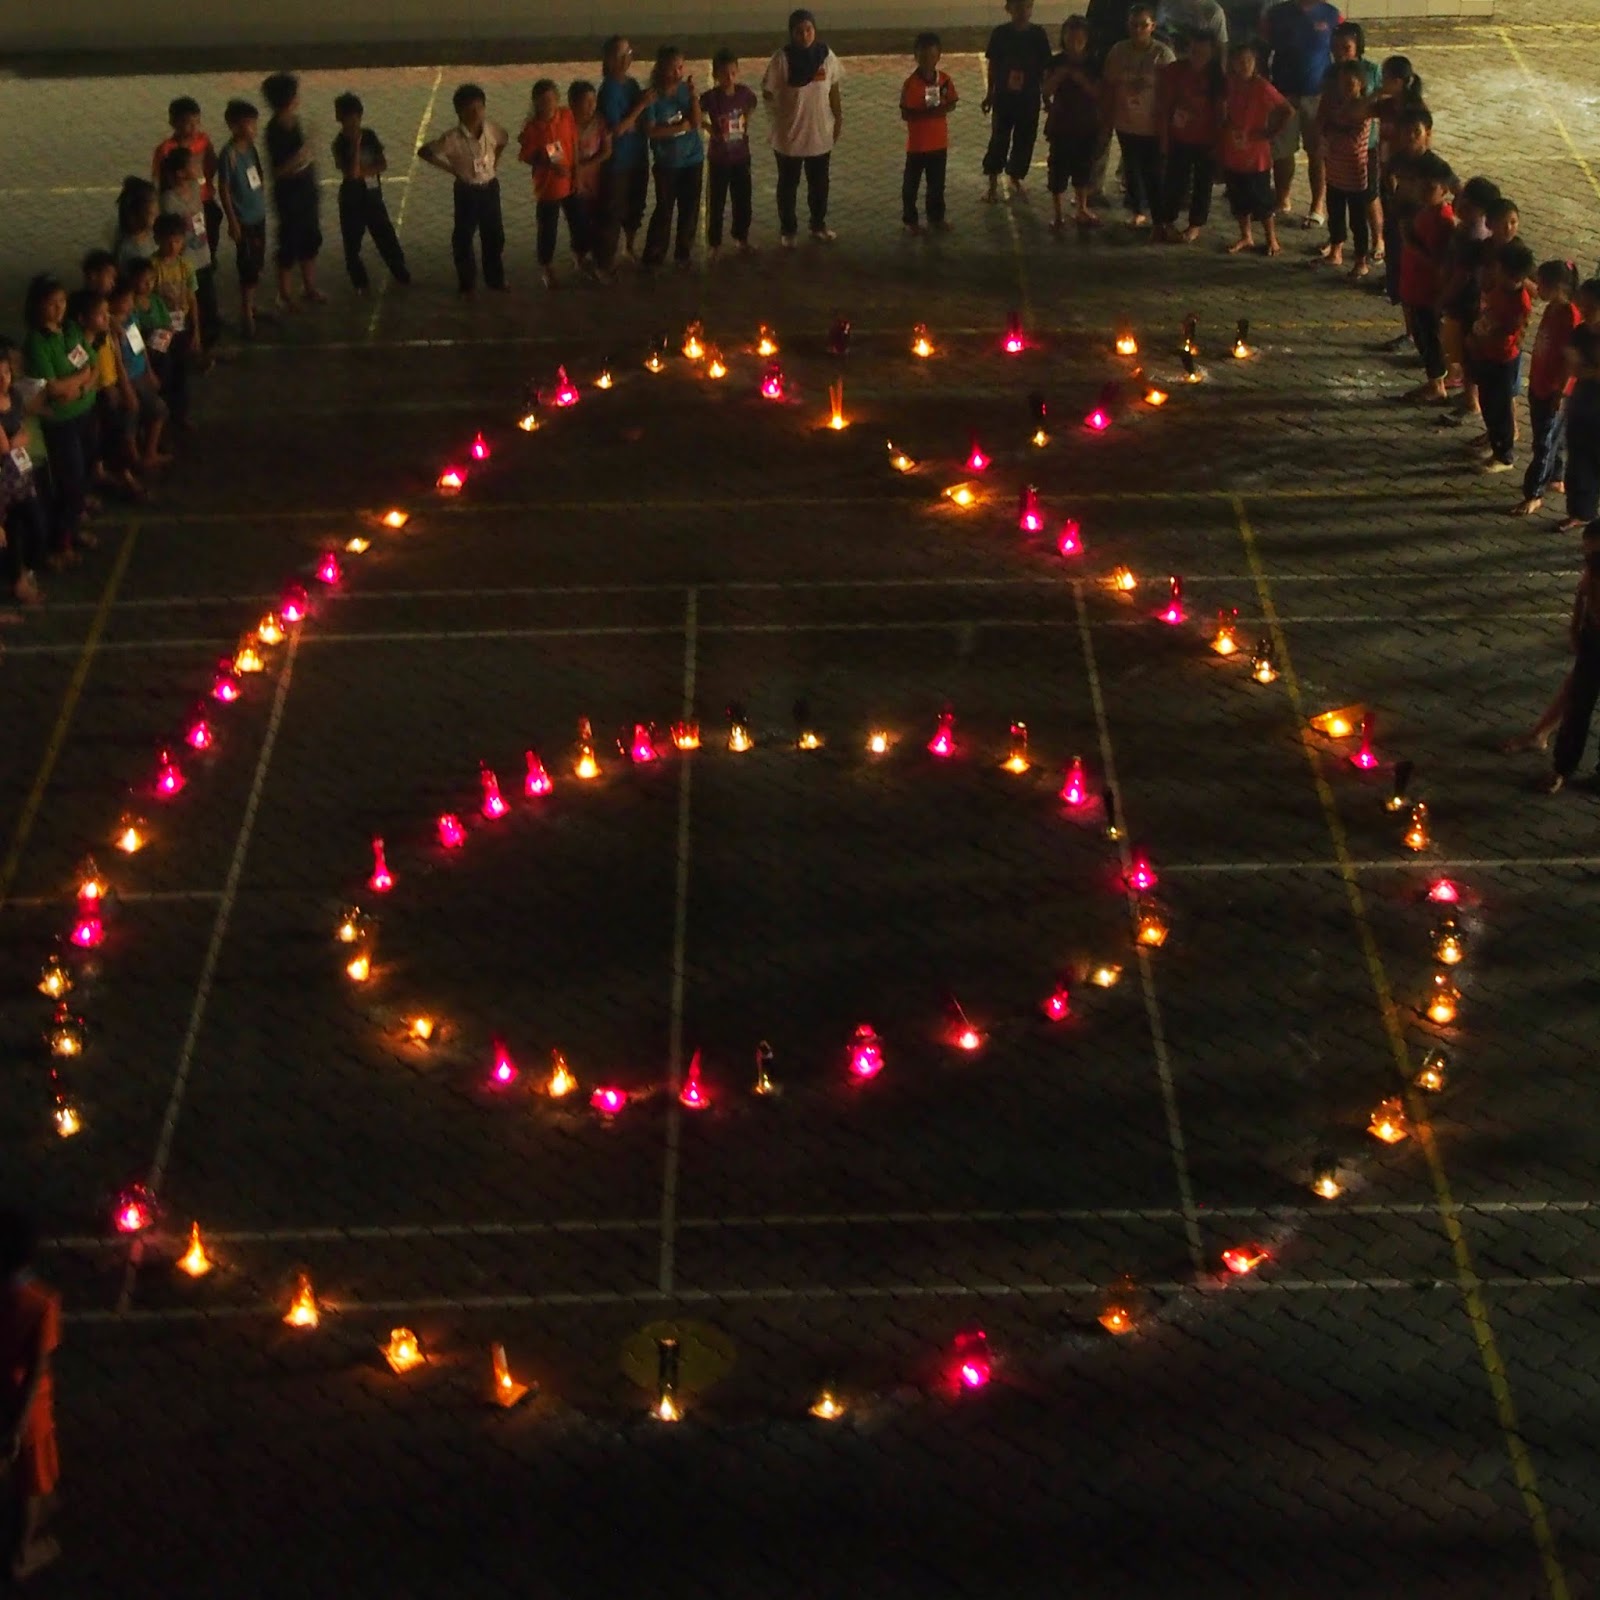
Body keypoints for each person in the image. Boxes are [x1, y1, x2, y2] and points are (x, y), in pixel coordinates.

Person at [0, 1209, 60, 1582]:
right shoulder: (42, 1301)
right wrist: (20, 1425)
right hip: (28, 1407)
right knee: (31, 1484)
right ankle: (21, 1554)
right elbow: (37, 1367)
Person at [21, 275, 99, 558]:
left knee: (85, 470)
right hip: (62, 423)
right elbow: (52, 388)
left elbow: (91, 365)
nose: (59, 308)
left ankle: (73, 529)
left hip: (84, 412)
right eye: (52, 303)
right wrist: (80, 382)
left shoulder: (70, 329)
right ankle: (62, 541)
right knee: (71, 480)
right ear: (38, 307)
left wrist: (78, 387)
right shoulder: (37, 342)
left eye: (62, 301)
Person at [762, 9, 844, 244]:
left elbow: (834, 88)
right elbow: (767, 91)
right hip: (790, 135)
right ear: (791, 34)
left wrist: (838, 117)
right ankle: (788, 230)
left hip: (819, 132)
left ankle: (818, 225)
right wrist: (780, 115)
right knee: (788, 184)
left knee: (819, 184)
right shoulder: (782, 59)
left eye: (809, 30)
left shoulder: (826, 56)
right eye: (799, 31)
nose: (805, 35)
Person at [417, 83, 509, 294]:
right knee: (464, 237)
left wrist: (495, 164)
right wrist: (451, 169)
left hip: (490, 188)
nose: (476, 113)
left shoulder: (491, 129)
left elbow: (503, 139)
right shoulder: (452, 139)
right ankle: (467, 283)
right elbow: (425, 152)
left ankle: (495, 279)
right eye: (470, 109)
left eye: (479, 108)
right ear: (459, 112)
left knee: (494, 235)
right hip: (467, 191)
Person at [1261, 0, 1341, 227]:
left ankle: (1317, 204)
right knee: (1282, 151)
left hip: (1317, 95)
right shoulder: (1277, 13)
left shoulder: (1332, 14)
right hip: (1283, 93)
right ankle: (1282, 199)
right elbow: (1263, 48)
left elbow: (1342, 50)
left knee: (1316, 151)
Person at [1513, 260, 1582, 517]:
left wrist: (1561, 391)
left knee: (1544, 443)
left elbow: (1569, 362)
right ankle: (1556, 475)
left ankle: (1535, 493)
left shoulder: (1570, 317)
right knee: (1554, 436)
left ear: (1558, 286)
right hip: (1542, 385)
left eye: (1541, 284)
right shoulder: (1554, 308)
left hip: (1554, 390)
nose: (1537, 287)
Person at [1540, 522, 1600, 793]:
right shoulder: (1593, 567)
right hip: (1594, 639)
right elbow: (1583, 591)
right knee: (1578, 706)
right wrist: (1576, 626)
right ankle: (1562, 768)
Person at [1102, 5, 1174, 228]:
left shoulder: (1162, 53)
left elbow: (1173, 88)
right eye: (1134, 24)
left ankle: (1160, 214)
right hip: (1126, 120)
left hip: (1153, 122)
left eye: (1143, 25)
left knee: (1154, 169)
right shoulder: (1118, 51)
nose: (1138, 30)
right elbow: (1109, 82)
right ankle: (1137, 209)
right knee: (1132, 167)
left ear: (1152, 26)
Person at [332, 92, 410, 295]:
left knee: (385, 235)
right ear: (340, 118)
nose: (353, 122)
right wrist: (356, 148)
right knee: (352, 243)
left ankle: (401, 273)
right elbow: (351, 173)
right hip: (351, 198)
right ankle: (360, 283)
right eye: (347, 117)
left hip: (373, 195)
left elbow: (382, 163)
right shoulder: (339, 143)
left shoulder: (370, 135)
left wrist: (364, 172)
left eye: (355, 117)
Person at [261, 72, 326, 309]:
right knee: (288, 242)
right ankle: (285, 294)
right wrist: (302, 154)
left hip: (306, 190)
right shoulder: (274, 131)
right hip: (289, 195)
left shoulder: (295, 122)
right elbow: (278, 171)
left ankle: (309, 287)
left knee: (310, 238)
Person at [1219, 40, 1290, 256]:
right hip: (1233, 152)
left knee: (1262, 200)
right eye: (1238, 62)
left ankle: (1272, 239)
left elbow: (1287, 109)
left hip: (1256, 156)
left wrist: (1270, 133)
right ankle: (1246, 236)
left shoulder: (1261, 87)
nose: (1243, 66)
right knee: (1238, 199)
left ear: (1255, 63)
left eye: (1247, 61)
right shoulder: (1230, 83)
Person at [1154, 28, 1223, 242]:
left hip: (1206, 140)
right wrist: (1164, 138)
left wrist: (1219, 143)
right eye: (1194, 51)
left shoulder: (1218, 77)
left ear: (1212, 53)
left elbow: (1222, 113)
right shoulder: (1176, 71)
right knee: (1174, 181)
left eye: (1203, 53)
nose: (1197, 57)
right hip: (1179, 137)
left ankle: (1195, 225)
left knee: (1203, 185)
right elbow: (1164, 107)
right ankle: (1167, 221)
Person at [641, 48, 706, 270]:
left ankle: (683, 253)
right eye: (673, 68)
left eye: (681, 67)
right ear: (661, 69)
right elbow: (650, 130)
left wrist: (693, 96)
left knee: (689, 208)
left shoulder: (683, 91)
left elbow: (696, 122)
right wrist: (677, 128)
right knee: (664, 208)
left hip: (692, 158)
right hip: (667, 163)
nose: (678, 73)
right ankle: (654, 255)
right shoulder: (653, 96)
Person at [981, 0, 1052, 202]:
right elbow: (993, 64)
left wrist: (1045, 97)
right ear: (1009, 9)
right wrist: (990, 94)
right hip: (1004, 97)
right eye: (1018, 7)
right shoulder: (1000, 34)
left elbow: (1044, 69)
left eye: (1027, 7)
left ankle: (1016, 176)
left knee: (1025, 140)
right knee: (999, 139)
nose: (1023, 11)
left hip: (1029, 97)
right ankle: (992, 183)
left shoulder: (1038, 34)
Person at [1398, 154, 1455, 402]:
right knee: (1424, 337)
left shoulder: (1443, 220)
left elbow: (1438, 261)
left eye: (1430, 188)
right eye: (1421, 185)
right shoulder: (1426, 211)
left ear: (1444, 190)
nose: (1423, 191)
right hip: (1415, 287)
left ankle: (1436, 384)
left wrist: (1411, 241)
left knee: (1429, 339)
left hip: (1427, 292)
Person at [596, 37, 655, 269]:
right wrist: (639, 107)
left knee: (635, 206)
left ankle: (629, 246)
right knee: (613, 211)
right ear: (609, 60)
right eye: (620, 55)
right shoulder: (609, 90)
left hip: (637, 156)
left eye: (628, 53)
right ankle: (605, 261)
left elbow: (637, 123)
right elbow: (616, 129)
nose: (625, 59)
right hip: (618, 161)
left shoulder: (631, 84)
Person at [519, 79, 584, 287]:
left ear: (557, 99)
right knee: (548, 230)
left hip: (570, 183)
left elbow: (573, 142)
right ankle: (546, 267)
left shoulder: (565, 116)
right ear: (535, 103)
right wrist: (549, 163)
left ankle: (579, 256)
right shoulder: (532, 128)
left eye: (551, 99)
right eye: (543, 101)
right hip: (548, 187)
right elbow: (527, 156)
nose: (548, 104)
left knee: (578, 221)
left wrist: (576, 171)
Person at [0, 342, 50, 602]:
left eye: (6, 373)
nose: (2, 380)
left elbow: (19, 433)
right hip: (2, 484)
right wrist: (14, 440)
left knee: (36, 527)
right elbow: (6, 444)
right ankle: (17, 582)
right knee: (10, 533)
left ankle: (23, 572)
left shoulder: (15, 397)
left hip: (21, 475)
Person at [1328, 22, 1380, 264]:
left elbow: (1379, 104)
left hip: (1364, 151)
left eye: (1346, 47)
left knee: (1368, 199)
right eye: (1336, 46)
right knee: (1336, 210)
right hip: (1337, 164)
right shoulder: (1331, 74)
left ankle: (1375, 242)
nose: (1340, 52)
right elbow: (1323, 116)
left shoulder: (1370, 71)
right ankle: (1336, 249)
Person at [1044, 17, 1102, 230]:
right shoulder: (1056, 62)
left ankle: (1082, 207)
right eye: (1070, 36)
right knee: (1058, 169)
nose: (1074, 42)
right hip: (1061, 124)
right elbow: (1046, 89)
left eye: (1079, 37)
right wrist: (1060, 75)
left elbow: (1098, 93)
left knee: (1083, 168)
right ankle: (1058, 213)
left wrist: (1079, 79)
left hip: (1086, 124)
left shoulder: (1093, 63)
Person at [1314, 59, 1372, 274]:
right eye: (1343, 82)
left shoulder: (1363, 110)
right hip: (1334, 174)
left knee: (1358, 222)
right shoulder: (1334, 105)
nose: (1346, 87)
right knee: (1336, 216)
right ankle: (1335, 251)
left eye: (1351, 83)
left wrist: (1329, 137)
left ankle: (1361, 261)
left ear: (1361, 84)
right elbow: (1321, 125)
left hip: (1355, 178)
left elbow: (1354, 143)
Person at [217, 100, 268, 337]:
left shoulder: (251, 150)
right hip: (244, 220)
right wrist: (233, 221)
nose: (253, 129)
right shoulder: (229, 155)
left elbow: (259, 176)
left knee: (257, 262)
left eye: (254, 124)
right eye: (249, 125)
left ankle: (251, 302)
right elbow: (224, 188)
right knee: (247, 264)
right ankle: (246, 311)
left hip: (258, 216)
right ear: (234, 126)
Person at [158, 145, 216, 353]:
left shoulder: (193, 187)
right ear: (180, 172)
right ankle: (187, 348)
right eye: (192, 164)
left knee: (208, 305)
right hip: (186, 261)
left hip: (203, 256)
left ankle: (205, 347)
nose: (197, 166)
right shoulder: (168, 200)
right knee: (186, 307)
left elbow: (205, 172)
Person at [108, 275, 169, 471]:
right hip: (127, 378)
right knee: (130, 418)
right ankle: (135, 458)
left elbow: (139, 345)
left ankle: (149, 452)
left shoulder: (131, 318)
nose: (130, 304)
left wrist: (149, 370)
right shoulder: (110, 328)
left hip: (140, 372)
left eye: (131, 300)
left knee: (157, 409)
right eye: (125, 301)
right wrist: (125, 386)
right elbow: (117, 360)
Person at [900, 31, 958, 234]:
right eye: (923, 57)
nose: (928, 61)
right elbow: (905, 113)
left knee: (936, 186)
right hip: (917, 146)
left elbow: (952, 103)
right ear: (916, 56)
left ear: (939, 56)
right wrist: (924, 112)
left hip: (938, 144)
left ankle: (936, 218)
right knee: (911, 187)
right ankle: (910, 221)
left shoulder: (945, 80)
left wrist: (942, 107)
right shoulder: (910, 84)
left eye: (932, 57)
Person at [702, 50, 759, 256]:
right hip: (719, 159)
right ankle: (714, 243)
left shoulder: (743, 93)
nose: (729, 77)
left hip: (741, 157)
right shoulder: (711, 98)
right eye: (724, 73)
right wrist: (709, 128)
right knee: (716, 201)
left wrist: (747, 118)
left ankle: (741, 237)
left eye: (733, 72)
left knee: (742, 199)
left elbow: (752, 103)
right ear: (715, 75)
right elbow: (694, 111)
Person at [151, 96, 220, 261]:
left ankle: (208, 265)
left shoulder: (203, 140)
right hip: (180, 206)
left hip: (204, 201)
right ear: (174, 123)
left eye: (197, 122)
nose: (194, 127)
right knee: (184, 246)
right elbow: (159, 180)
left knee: (207, 241)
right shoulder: (166, 149)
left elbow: (212, 164)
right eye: (189, 123)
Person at [128, 255, 186, 431]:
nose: (148, 285)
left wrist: (165, 334)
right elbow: (134, 337)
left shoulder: (156, 301)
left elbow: (168, 325)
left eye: (151, 280)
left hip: (161, 349)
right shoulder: (130, 306)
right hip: (145, 355)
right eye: (143, 281)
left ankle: (173, 415)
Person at [1558, 324, 1600, 532]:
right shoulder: (1582, 331)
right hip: (1582, 405)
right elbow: (1572, 363)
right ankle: (1582, 512)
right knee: (1578, 463)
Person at [569, 82, 612, 269]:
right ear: (573, 103)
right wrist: (568, 168)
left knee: (596, 215)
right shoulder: (564, 123)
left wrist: (586, 165)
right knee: (578, 218)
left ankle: (595, 253)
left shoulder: (600, 122)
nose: (592, 105)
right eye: (587, 102)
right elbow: (554, 147)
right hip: (572, 178)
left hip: (595, 177)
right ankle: (579, 253)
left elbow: (607, 150)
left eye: (594, 101)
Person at [113, 178, 159, 269]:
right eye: (151, 214)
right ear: (134, 213)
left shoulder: (154, 237)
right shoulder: (127, 249)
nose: (157, 214)